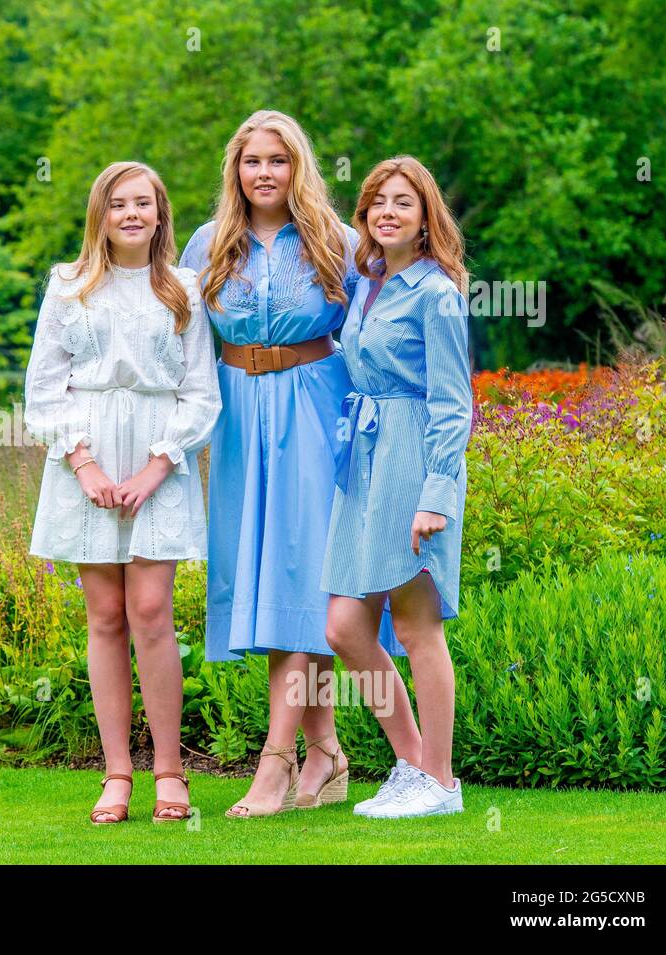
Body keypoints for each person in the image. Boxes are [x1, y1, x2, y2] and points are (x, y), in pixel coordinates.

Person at [179, 109, 408, 818]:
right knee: (271, 583)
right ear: (235, 170)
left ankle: (274, 764)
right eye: (252, 161)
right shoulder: (206, 243)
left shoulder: (339, 241)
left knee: (307, 580)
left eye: (278, 159)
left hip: (318, 411)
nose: (265, 172)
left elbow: (375, 332)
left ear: (297, 166)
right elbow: (176, 340)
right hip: (241, 418)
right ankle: (327, 753)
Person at [24, 160, 221, 824]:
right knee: (104, 615)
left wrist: (156, 467)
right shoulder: (69, 286)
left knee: (152, 610)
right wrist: (84, 464)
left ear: (161, 213)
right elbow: (44, 389)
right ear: (100, 216)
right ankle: (116, 773)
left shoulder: (184, 290)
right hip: (86, 455)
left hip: (157, 456)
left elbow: (201, 393)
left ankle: (171, 768)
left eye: (143, 203)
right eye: (118, 204)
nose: (132, 214)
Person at [321, 155, 473, 818]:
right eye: (377, 201)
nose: (387, 211)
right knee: (346, 626)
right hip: (366, 461)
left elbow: (453, 400)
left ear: (424, 216)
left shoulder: (436, 292)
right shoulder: (371, 283)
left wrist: (435, 495)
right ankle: (414, 763)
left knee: (415, 627)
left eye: (402, 202)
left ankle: (437, 779)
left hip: (414, 460)